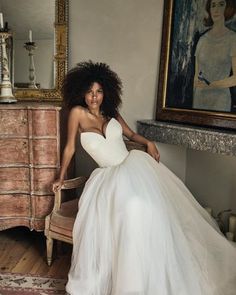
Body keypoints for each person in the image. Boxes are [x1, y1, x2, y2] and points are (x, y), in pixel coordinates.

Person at [53, 61, 236, 295]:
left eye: (99, 91)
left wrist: (148, 142)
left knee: (144, 206)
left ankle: (158, 263)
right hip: (107, 178)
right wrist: (60, 177)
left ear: (106, 91)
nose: (94, 97)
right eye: (89, 91)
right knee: (131, 207)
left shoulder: (111, 112)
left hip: (133, 166)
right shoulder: (77, 114)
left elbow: (129, 134)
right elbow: (69, 148)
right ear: (81, 92)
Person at [193, 0, 236, 112]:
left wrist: (212, 85)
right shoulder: (202, 40)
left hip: (220, 101)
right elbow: (196, 76)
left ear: (228, 8)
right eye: (213, 5)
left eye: (221, 4)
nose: (216, 9)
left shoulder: (232, 39)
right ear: (209, 9)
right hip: (199, 100)